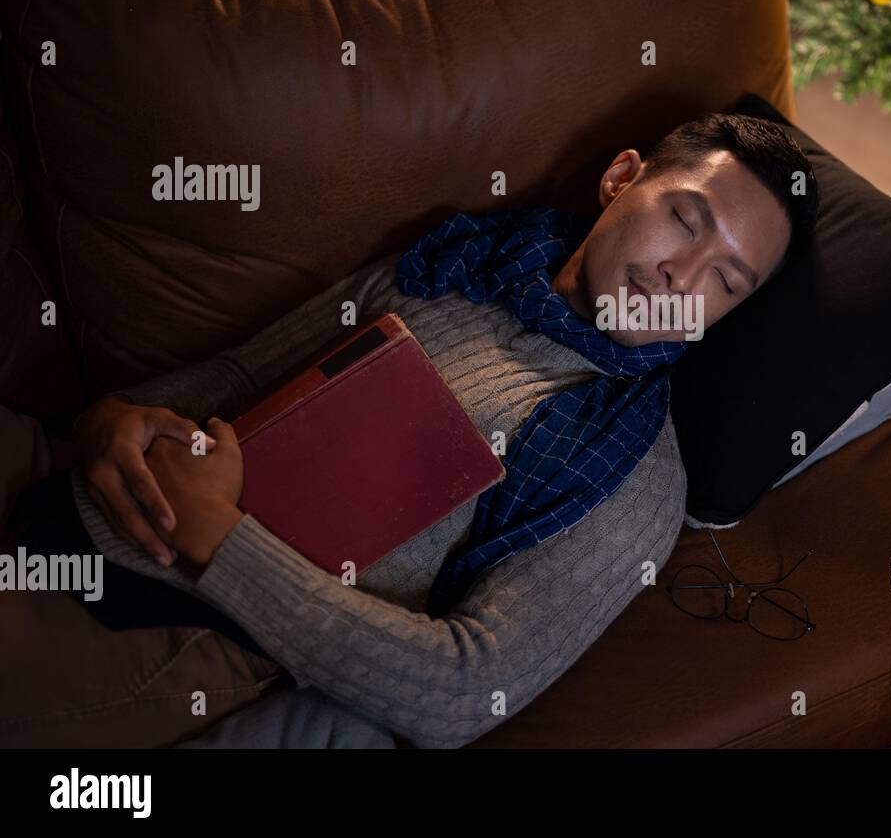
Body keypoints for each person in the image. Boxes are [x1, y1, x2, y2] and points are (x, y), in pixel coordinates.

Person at [0, 112, 818, 748]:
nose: (682, 277)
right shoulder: (463, 258)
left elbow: (469, 686)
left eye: (725, 281)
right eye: (685, 220)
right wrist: (108, 418)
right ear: (620, 178)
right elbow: (242, 378)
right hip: (68, 474)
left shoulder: (635, 478)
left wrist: (222, 539)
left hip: (168, 623)